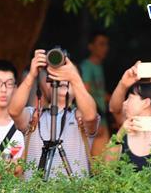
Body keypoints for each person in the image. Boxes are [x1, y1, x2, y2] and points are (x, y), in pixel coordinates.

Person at [8, 49, 100, 178]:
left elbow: (90, 116)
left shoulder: (80, 117)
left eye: (66, 76)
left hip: (73, 191)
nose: (62, 79)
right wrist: (32, 75)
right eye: (56, 75)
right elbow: (13, 111)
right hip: (36, 191)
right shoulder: (34, 116)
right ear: (47, 83)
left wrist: (74, 77)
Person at [80, 31, 111, 155]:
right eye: (101, 44)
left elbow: (100, 93)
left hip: (101, 119)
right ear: (91, 46)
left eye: (106, 44)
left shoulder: (99, 66)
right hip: (93, 120)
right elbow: (85, 94)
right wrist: (96, 118)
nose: (105, 48)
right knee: (99, 162)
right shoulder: (87, 66)